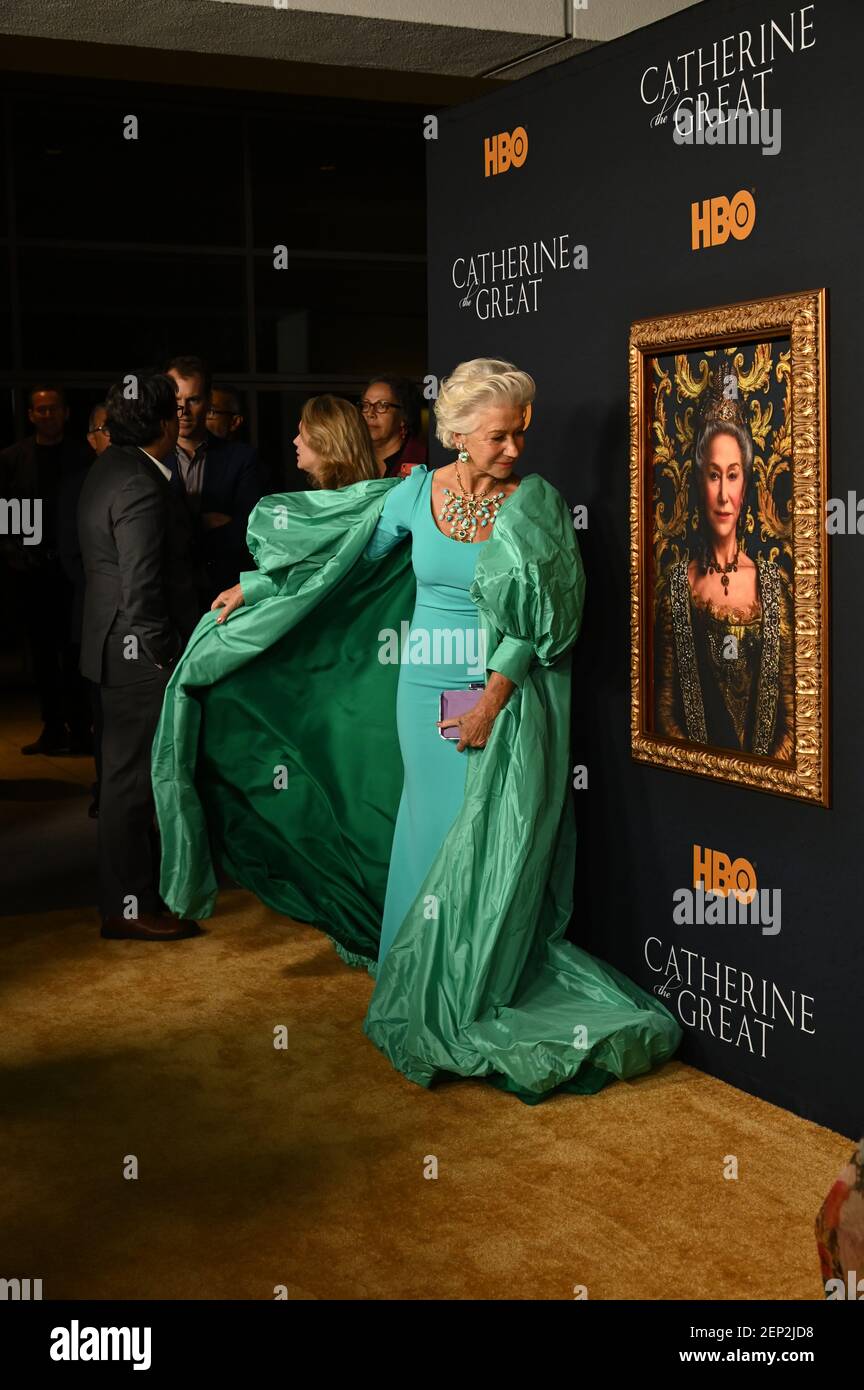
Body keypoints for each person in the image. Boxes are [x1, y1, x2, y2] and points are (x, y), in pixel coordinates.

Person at [151, 359, 680, 1102]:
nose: (515, 450)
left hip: (495, 693)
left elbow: (544, 622)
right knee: (424, 829)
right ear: (459, 433)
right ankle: (411, 973)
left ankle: (463, 988)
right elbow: (345, 558)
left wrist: (491, 700)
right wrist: (260, 585)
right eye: (501, 436)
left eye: (521, 435)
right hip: (419, 690)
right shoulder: (414, 493)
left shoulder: (536, 507)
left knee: (481, 836)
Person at [77, 371, 201, 941]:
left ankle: (131, 900)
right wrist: (165, 659)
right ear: (161, 423)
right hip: (134, 655)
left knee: (124, 784)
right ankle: (131, 909)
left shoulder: (110, 468)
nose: (183, 419)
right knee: (131, 788)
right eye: (176, 411)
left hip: (110, 645)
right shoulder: (141, 485)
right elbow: (143, 588)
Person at [654, 362, 794, 758]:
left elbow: (796, 716)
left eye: (732, 475)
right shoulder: (677, 589)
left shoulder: (772, 586)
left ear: (746, 482)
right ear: (699, 480)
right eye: (713, 475)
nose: (723, 495)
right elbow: (666, 713)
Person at [0, 384, 92, 754]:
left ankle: (80, 727)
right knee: (42, 653)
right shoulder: (13, 458)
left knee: (74, 652)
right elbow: (8, 509)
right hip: (33, 571)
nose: (47, 415)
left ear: (66, 412)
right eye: (41, 410)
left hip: (74, 569)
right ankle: (53, 727)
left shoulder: (83, 456)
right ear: (30, 415)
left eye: (53, 409)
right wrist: (15, 551)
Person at [164, 354, 263, 609]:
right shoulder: (151, 459)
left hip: (222, 592)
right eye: (176, 401)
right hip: (166, 594)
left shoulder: (241, 458)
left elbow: (251, 530)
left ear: (208, 401)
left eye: (193, 400)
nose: (183, 411)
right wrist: (203, 522)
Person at [359, 374, 427, 477]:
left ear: (404, 416)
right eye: (365, 405)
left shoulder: (424, 463)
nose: (370, 413)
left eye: (382, 406)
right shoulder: (351, 459)